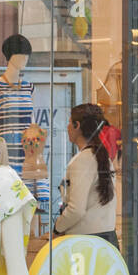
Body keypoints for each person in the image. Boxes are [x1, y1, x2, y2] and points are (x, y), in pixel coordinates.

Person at [54, 103, 118, 249]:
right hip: (107, 239)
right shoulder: (103, 157)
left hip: (85, 244)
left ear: (77, 125)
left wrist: (57, 227)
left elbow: (76, 209)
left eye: (69, 123)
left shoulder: (83, 160)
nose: (67, 127)